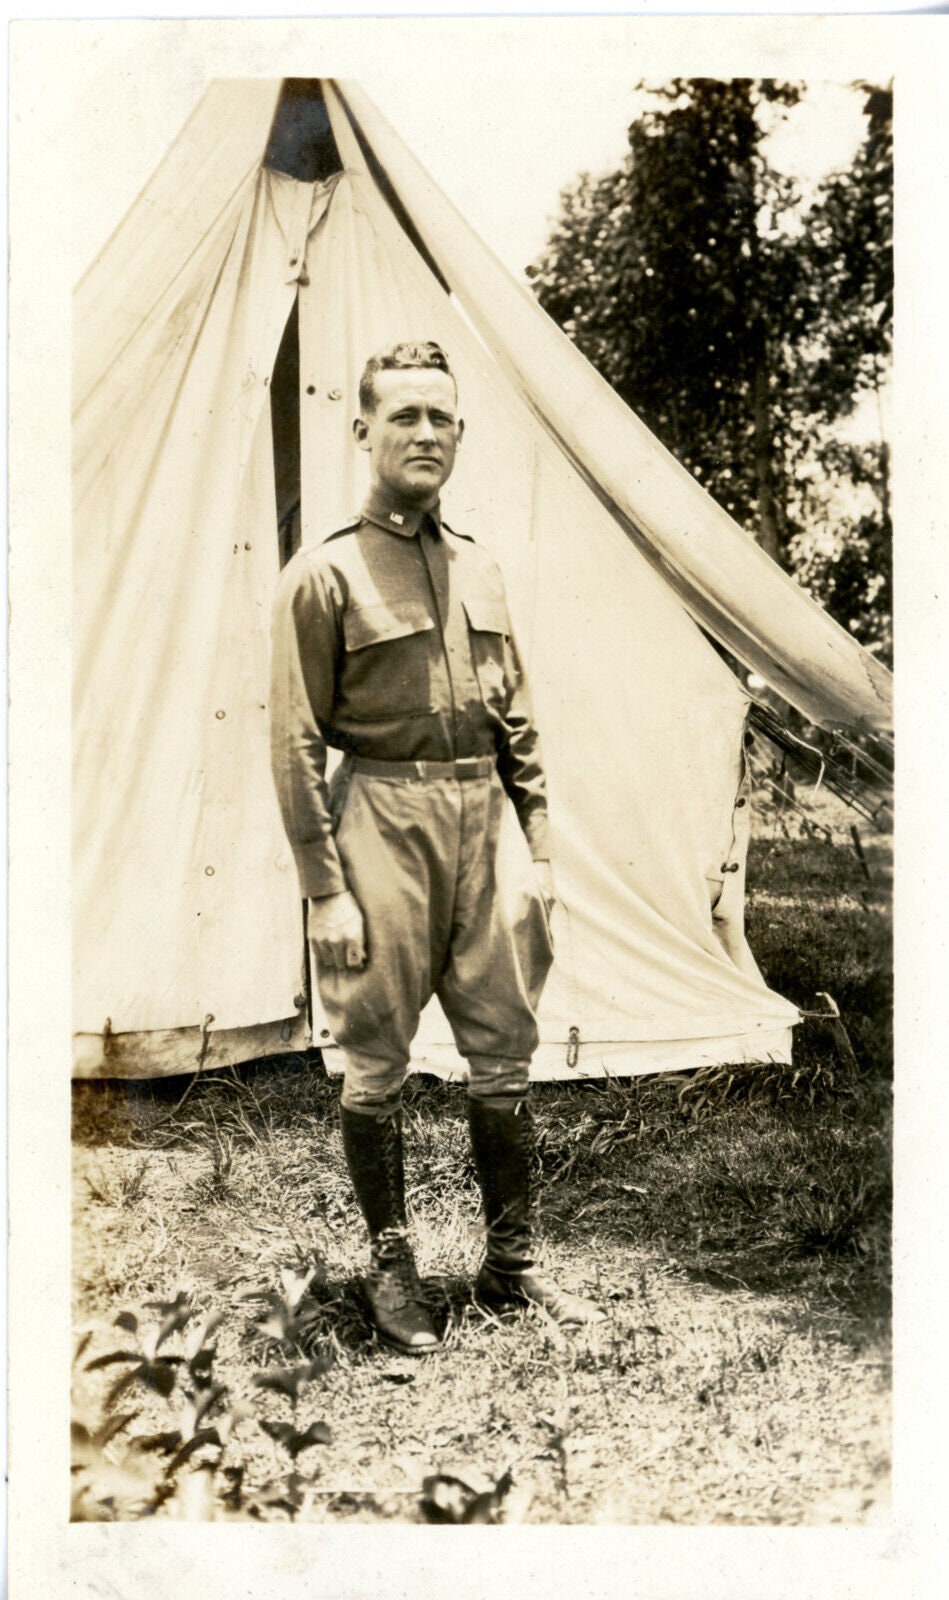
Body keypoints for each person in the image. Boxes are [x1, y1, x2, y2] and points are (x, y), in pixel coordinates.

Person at [270, 340, 603, 1354]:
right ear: (361, 429)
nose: (424, 433)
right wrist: (326, 889)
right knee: (374, 1059)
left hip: (484, 825)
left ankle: (512, 1268)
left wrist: (540, 852)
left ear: (460, 435)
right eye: (403, 415)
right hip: (380, 817)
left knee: (503, 1049)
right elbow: (291, 740)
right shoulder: (319, 575)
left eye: (441, 418)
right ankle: (391, 1266)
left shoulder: (482, 567)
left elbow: (521, 729)